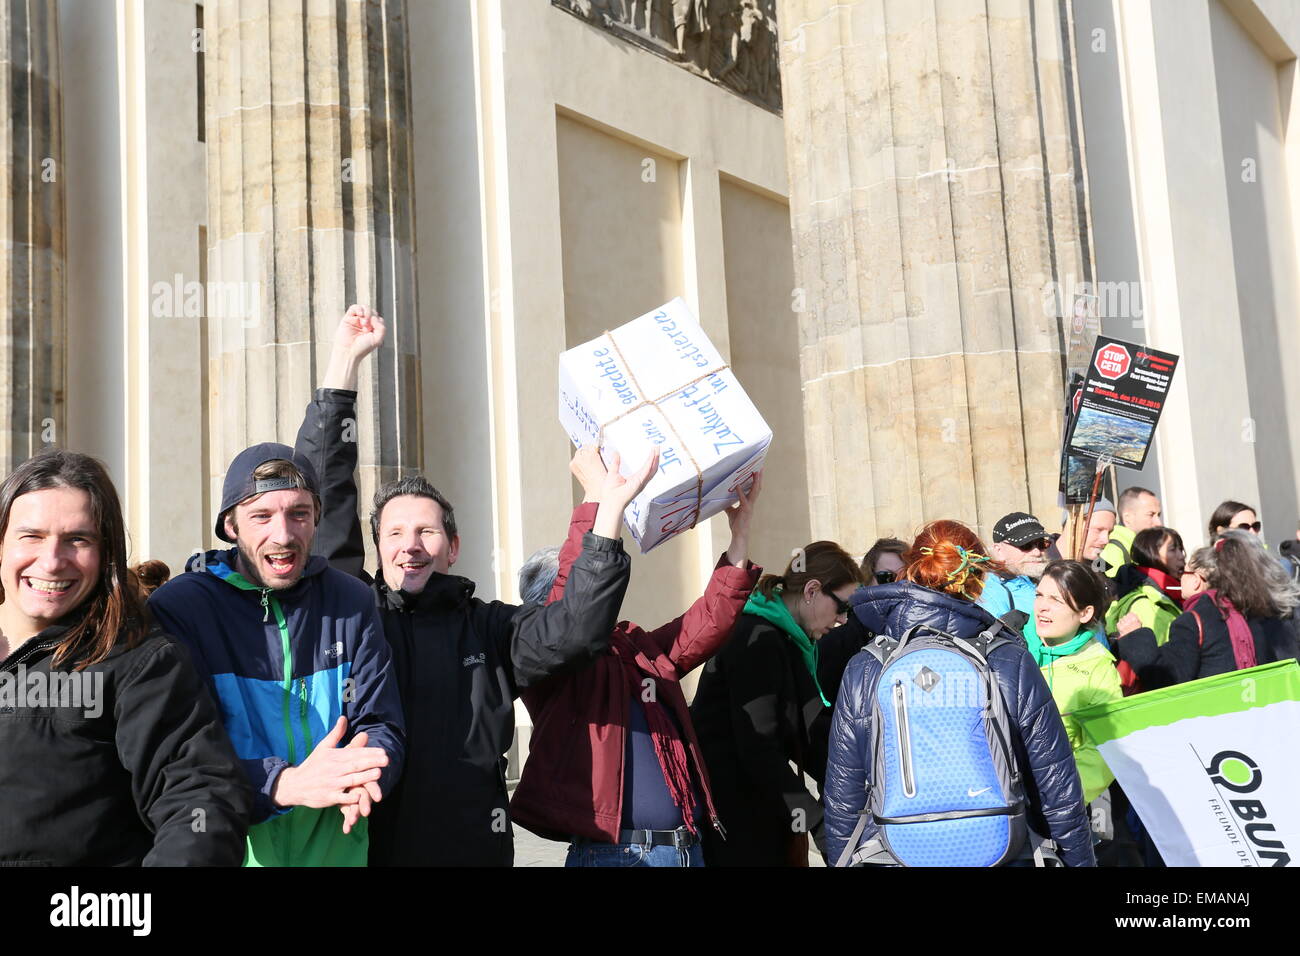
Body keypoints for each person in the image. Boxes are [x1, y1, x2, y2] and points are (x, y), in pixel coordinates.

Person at [293, 306, 642, 866]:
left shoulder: (492, 626)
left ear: (452, 548)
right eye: (396, 532)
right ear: (378, 548)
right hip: (366, 851)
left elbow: (576, 631)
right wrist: (343, 368)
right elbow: (326, 501)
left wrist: (608, 513)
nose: (410, 545)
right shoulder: (356, 613)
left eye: (426, 531)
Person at [149, 431, 405, 867]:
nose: (283, 534)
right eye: (261, 516)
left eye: (299, 514)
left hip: (336, 852)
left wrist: (365, 774)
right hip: (228, 851)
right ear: (230, 525)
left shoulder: (352, 600)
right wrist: (282, 784)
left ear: (317, 518)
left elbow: (382, 723)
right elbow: (176, 756)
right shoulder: (180, 607)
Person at [509, 450, 762, 867]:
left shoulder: (633, 647)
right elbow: (573, 593)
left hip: (685, 851)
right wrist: (597, 500)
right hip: (619, 856)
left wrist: (740, 535)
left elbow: (708, 622)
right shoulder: (543, 658)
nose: (603, 589)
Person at [0, 451, 252, 866]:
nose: (52, 560)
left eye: (78, 539)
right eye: (32, 536)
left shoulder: (142, 663)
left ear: (106, 553)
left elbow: (200, 798)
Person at [823, 520, 1094, 867]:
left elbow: (844, 793)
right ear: (978, 579)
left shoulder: (866, 667)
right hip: (1002, 852)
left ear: (911, 570)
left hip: (899, 852)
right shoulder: (1008, 658)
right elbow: (1056, 787)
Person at [690, 541, 863, 866]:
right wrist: (816, 821)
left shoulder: (791, 639)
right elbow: (758, 750)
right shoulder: (757, 639)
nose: (843, 620)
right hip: (737, 826)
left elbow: (812, 733)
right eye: (842, 607)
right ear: (812, 590)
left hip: (762, 817)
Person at [1113, 530, 1300, 689]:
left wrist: (1135, 637)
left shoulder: (1195, 619)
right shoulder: (1259, 608)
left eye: (1184, 572)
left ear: (1196, 580)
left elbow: (1166, 678)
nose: (1180, 578)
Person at [1026, 561, 1120, 805]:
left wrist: (1062, 796)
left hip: (1053, 805)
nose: (1042, 607)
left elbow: (1104, 746)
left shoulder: (1096, 666)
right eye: (1039, 595)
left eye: (1056, 600)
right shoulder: (1010, 643)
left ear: (1085, 613)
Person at [980, 511, 1053, 622]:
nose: (1037, 552)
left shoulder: (1054, 580)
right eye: (1025, 545)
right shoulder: (992, 593)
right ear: (999, 550)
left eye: (1041, 544)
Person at [1099, 487, 1162, 580]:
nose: (1159, 523)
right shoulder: (1112, 548)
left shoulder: (1141, 547)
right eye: (1151, 515)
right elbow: (1109, 590)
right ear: (1128, 518)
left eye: (1158, 515)